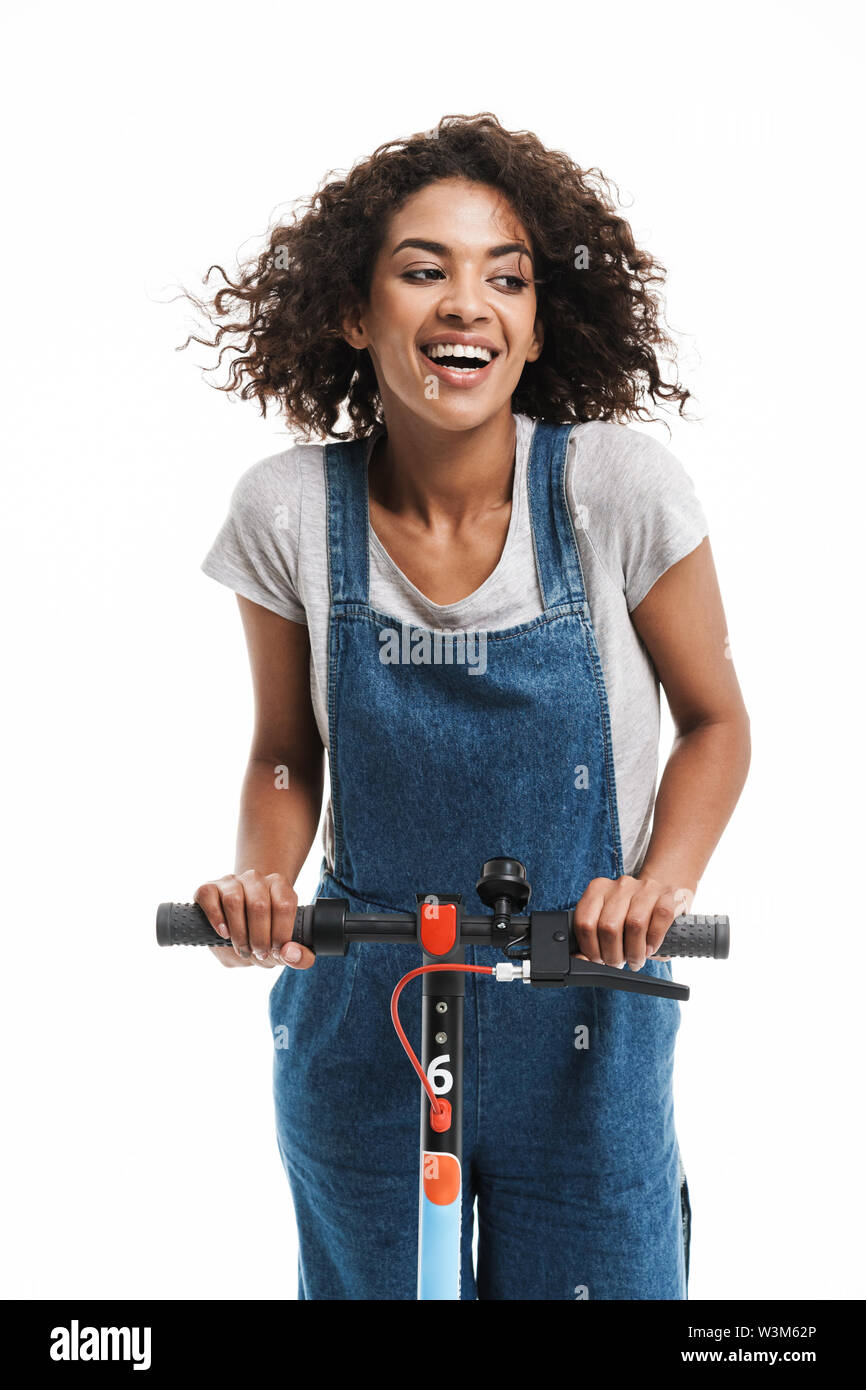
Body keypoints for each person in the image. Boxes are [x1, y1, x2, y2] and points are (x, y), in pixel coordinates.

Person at [187, 114, 750, 1300]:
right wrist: (261, 881)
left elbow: (714, 722)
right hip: (364, 1013)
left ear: (537, 326)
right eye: (421, 269)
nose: (466, 303)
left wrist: (655, 885)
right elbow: (285, 756)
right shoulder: (288, 509)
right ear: (355, 311)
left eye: (505, 277)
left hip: (586, 1021)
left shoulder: (614, 489)